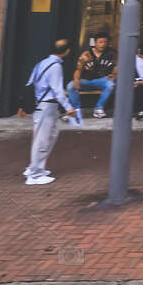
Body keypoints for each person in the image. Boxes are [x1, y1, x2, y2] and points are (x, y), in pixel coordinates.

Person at [24, 39, 78, 186]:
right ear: (66, 51)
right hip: (47, 106)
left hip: (42, 105)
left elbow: (30, 82)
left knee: (48, 136)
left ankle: (34, 168)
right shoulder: (55, 67)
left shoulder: (42, 63)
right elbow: (57, 90)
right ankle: (35, 175)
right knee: (43, 140)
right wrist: (68, 107)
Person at [72, 33, 116, 118]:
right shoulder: (87, 54)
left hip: (102, 81)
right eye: (100, 42)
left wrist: (113, 75)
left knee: (110, 85)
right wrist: (76, 80)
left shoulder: (112, 53)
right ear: (95, 43)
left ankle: (99, 108)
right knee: (70, 86)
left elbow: (117, 66)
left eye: (105, 42)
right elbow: (78, 69)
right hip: (86, 81)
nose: (103, 44)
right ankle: (76, 110)